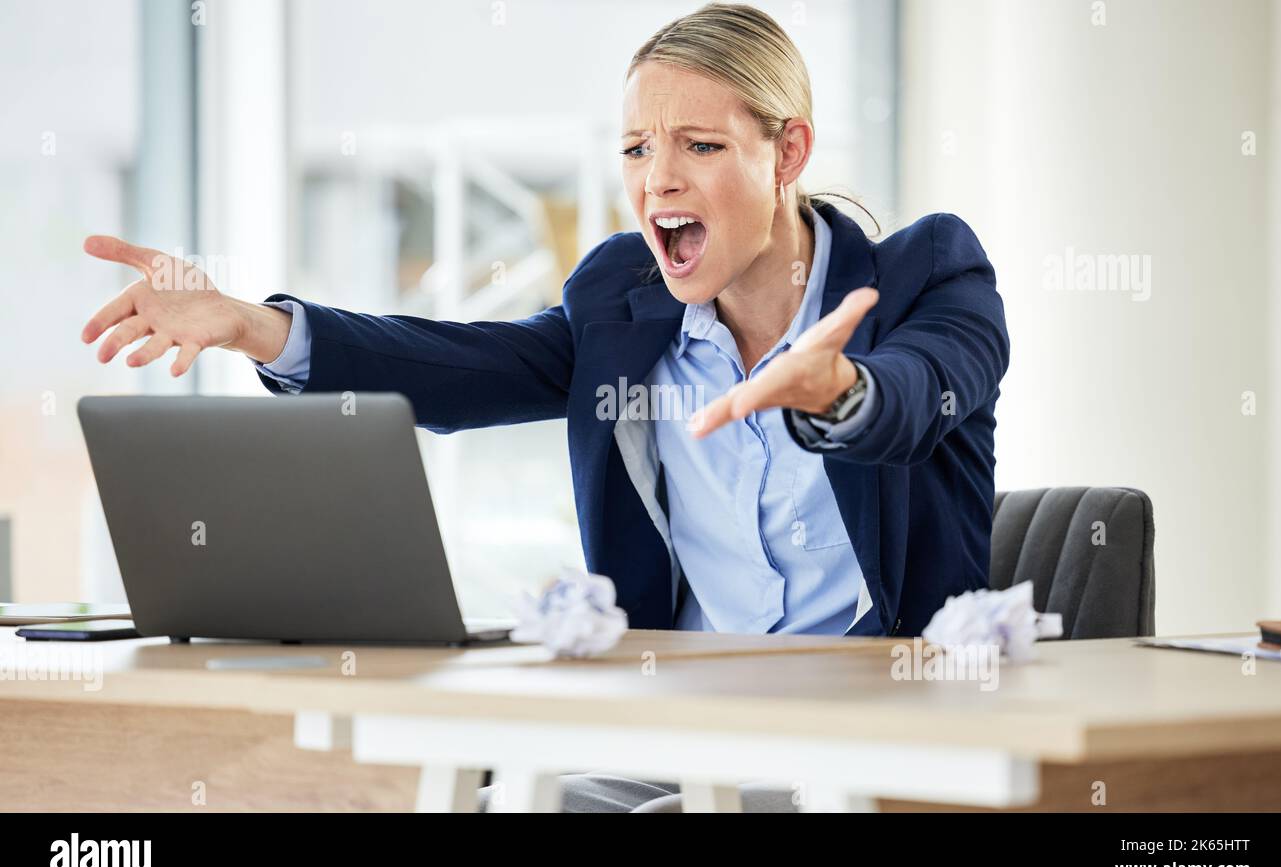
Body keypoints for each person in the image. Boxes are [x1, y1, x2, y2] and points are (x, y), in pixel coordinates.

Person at [80, 3, 1009, 812]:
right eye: (638, 149)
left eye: (701, 145)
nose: (658, 180)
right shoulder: (623, 300)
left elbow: (920, 396)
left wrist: (837, 391)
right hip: (685, 733)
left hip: (882, 747)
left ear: (788, 152)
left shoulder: (925, 274)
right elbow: (465, 368)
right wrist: (254, 326)